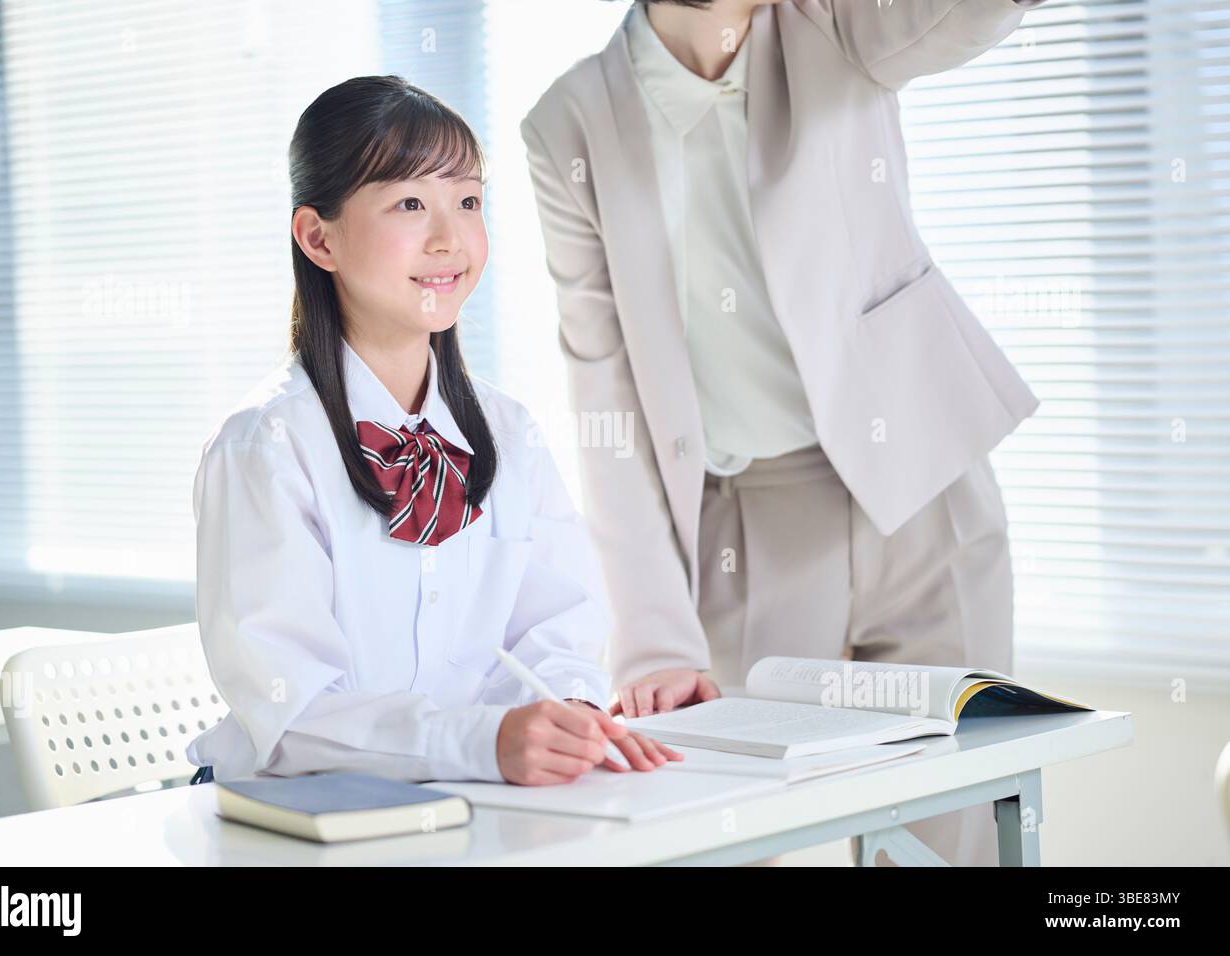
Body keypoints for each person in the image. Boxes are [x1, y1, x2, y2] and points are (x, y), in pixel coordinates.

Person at [521, 0, 1045, 863]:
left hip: (925, 488)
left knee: (952, 841)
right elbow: (603, 392)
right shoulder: (569, 123)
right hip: (746, 528)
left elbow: (955, 16)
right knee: (724, 833)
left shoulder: (834, 23)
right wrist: (654, 637)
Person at [186, 75, 680, 788]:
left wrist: (563, 714)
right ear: (318, 238)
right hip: (287, 817)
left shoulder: (510, 432)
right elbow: (288, 714)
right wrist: (479, 742)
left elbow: (558, 624)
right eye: (411, 203)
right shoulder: (264, 447)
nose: (450, 239)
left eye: (469, 202)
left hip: (469, 796)